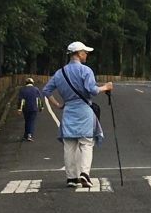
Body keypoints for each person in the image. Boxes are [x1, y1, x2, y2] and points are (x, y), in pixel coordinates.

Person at [42, 41, 113, 189]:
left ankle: (71, 178)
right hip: (84, 110)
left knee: (69, 145)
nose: (86, 54)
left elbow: (46, 91)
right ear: (79, 53)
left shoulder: (59, 73)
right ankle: (84, 173)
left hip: (68, 110)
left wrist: (58, 105)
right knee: (86, 143)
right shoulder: (85, 70)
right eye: (85, 52)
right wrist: (105, 87)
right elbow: (92, 90)